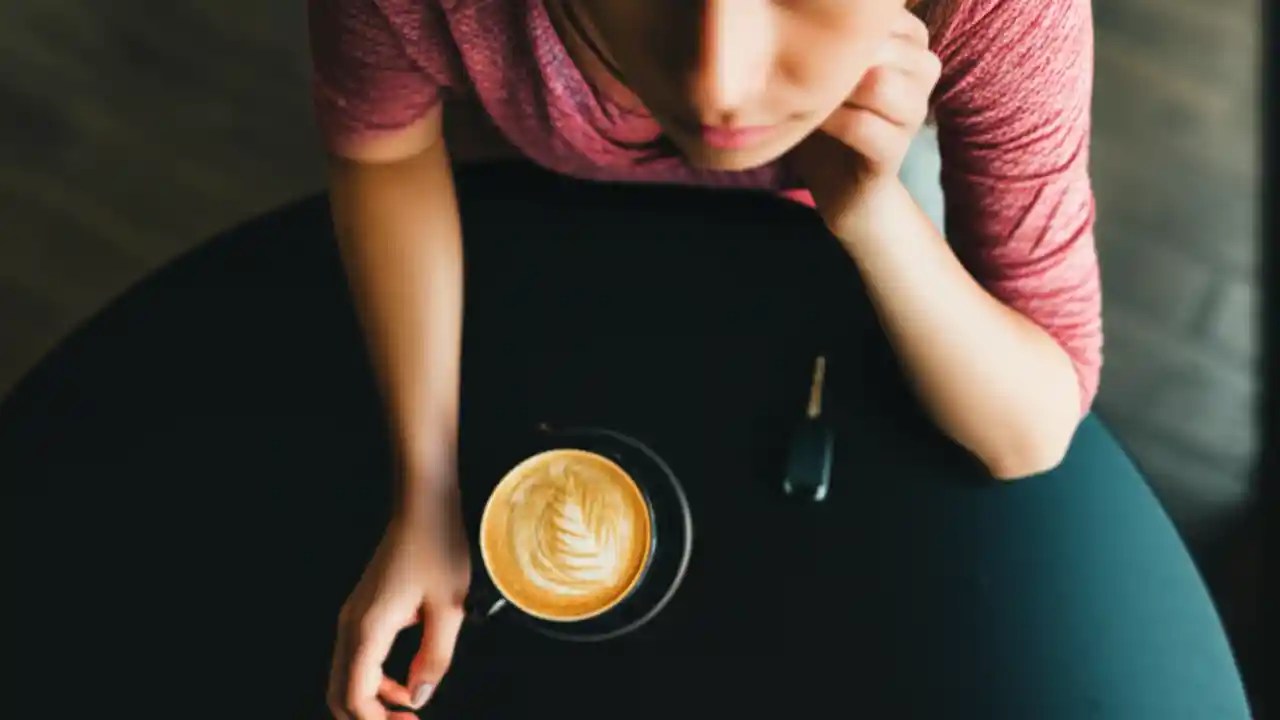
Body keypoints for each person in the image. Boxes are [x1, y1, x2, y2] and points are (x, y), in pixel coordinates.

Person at [307, 0, 1102, 717]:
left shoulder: (1009, 15)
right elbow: (384, 152)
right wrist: (426, 490)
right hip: (519, 206)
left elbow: (1027, 433)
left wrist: (867, 208)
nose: (720, 84)